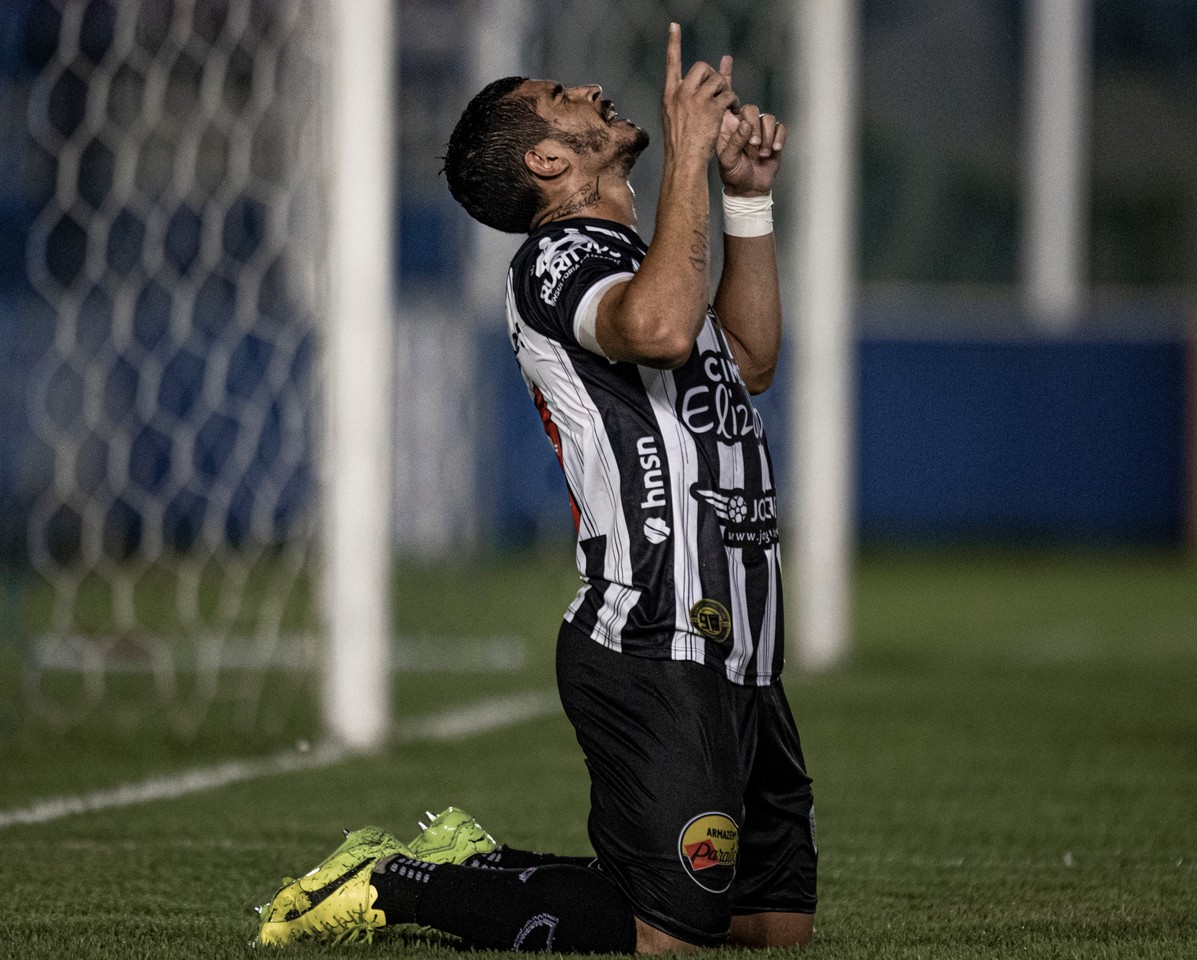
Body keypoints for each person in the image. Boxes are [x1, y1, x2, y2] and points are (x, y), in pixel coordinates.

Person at [254, 22, 817, 953]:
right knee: (664, 939)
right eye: (562, 98)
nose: (592, 91)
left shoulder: (644, 260)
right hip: (652, 631)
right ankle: (403, 888)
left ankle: (479, 863)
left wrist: (745, 200)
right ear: (550, 158)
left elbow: (747, 359)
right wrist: (684, 157)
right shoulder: (557, 262)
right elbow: (664, 332)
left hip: (743, 640)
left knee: (770, 927)